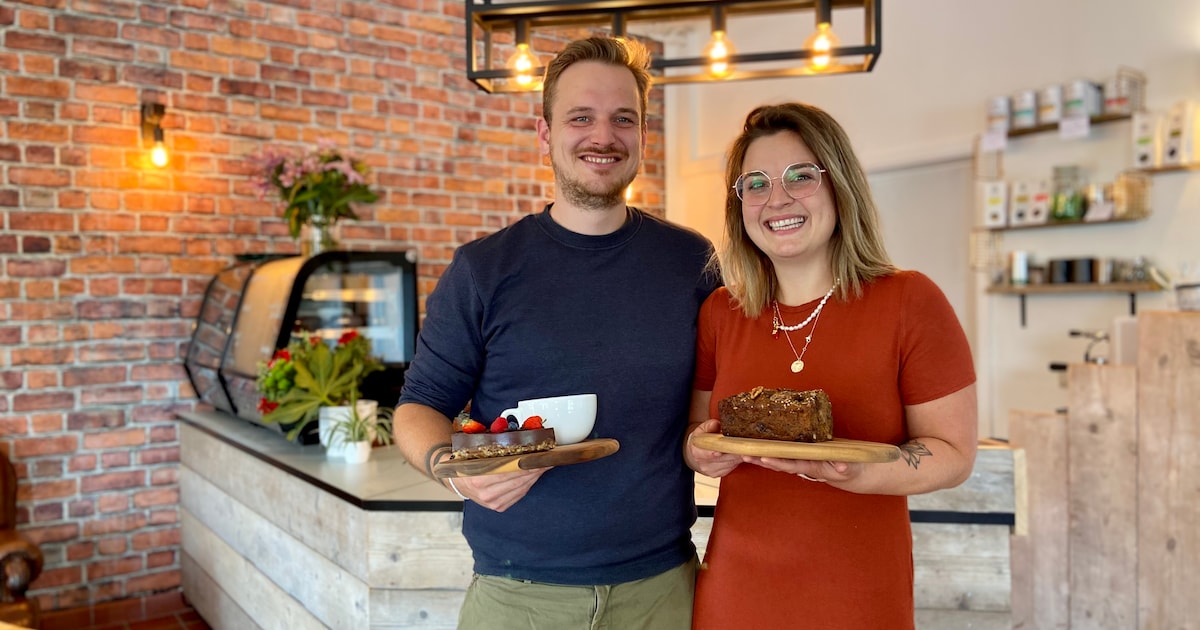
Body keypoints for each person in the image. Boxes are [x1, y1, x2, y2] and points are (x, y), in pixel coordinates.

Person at [394, 37, 719, 630]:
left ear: (643, 134)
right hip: (516, 594)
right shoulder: (481, 270)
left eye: (624, 118)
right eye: (581, 117)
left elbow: (713, 401)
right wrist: (456, 472)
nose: (604, 136)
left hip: (663, 592)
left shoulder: (692, 263)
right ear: (544, 134)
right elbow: (420, 405)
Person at [684, 102, 978, 629]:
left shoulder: (909, 300)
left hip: (859, 597)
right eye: (756, 183)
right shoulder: (721, 313)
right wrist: (700, 453)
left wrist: (861, 472)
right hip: (736, 591)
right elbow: (697, 434)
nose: (778, 198)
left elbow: (953, 455)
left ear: (839, 185)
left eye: (802, 176)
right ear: (739, 204)